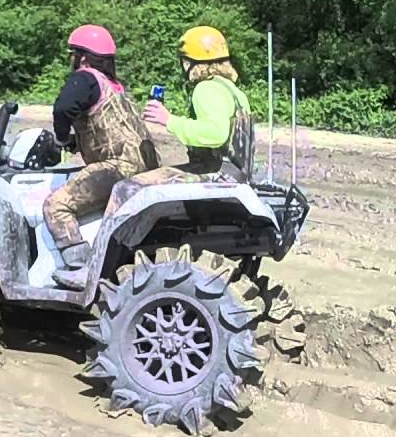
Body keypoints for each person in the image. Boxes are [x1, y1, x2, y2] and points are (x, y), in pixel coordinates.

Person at [44, 25, 160, 290]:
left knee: (56, 206)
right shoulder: (116, 87)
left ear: (82, 57)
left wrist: (62, 138)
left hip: (117, 167)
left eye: (73, 54)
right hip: (147, 169)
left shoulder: (85, 77)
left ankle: (82, 268)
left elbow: (63, 108)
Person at [142, 26, 253, 178]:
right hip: (236, 175)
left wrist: (169, 120)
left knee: (136, 185)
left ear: (189, 63)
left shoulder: (206, 88)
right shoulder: (232, 90)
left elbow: (216, 133)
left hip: (215, 177)